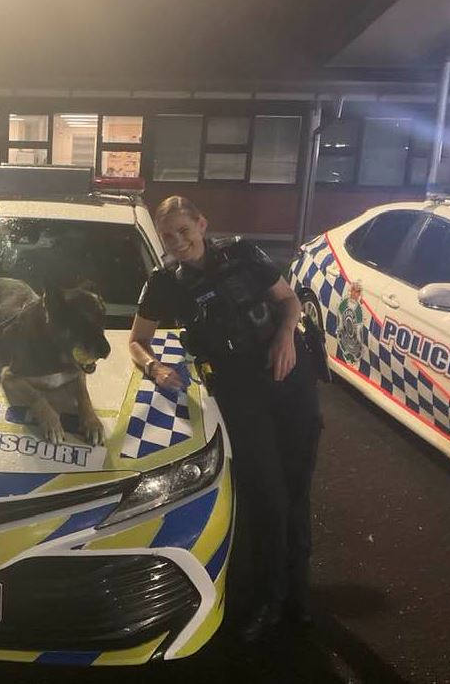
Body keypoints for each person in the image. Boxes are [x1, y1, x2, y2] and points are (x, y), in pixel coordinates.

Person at [129, 195, 321, 642]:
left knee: (296, 492)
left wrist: (286, 336)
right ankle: (269, 600)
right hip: (238, 391)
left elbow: (289, 302)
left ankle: (298, 597)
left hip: (287, 377)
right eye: (168, 236)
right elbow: (137, 340)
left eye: (184, 230)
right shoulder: (163, 282)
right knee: (266, 497)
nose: (178, 241)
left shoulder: (241, 254)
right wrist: (154, 367)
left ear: (201, 223)